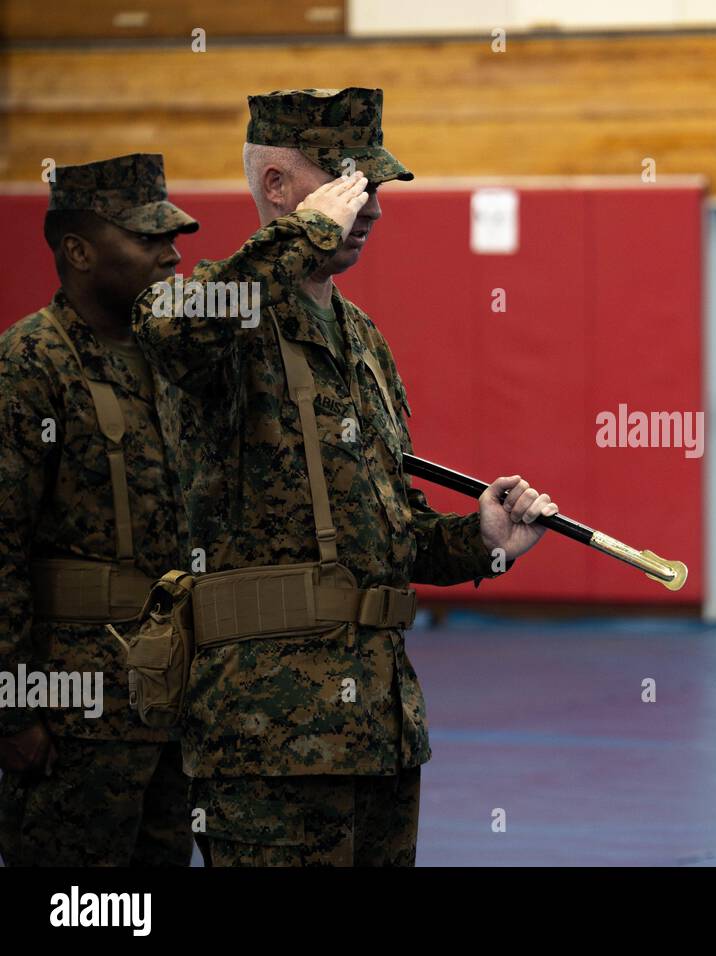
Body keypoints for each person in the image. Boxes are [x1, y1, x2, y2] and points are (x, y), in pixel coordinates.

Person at [133, 87, 557, 866]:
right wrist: (298, 238)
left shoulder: (361, 336)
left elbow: (389, 526)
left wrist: (481, 541)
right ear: (278, 188)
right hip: (271, 733)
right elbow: (169, 330)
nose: (372, 208)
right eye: (347, 185)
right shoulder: (218, 317)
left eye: (377, 188)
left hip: (379, 729)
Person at [0, 154, 198, 865]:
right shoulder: (30, 363)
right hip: (71, 713)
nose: (171, 253)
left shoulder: (172, 359)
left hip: (174, 707)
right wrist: (14, 710)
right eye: (146, 239)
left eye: (171, 235)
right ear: (78, 251)